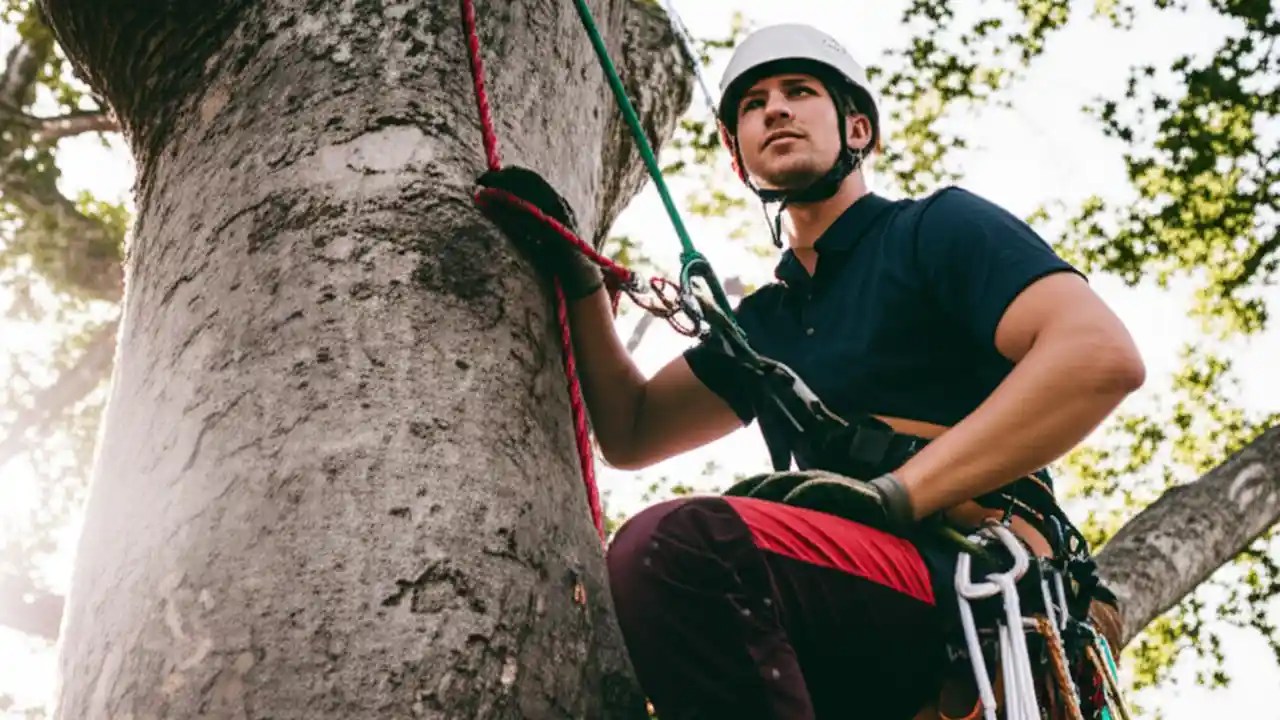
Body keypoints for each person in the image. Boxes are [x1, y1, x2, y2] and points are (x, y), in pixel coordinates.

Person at [478, 23, 1143, 720]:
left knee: (681, 548)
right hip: (848, 602)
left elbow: (1097, 357)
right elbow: (633, 429)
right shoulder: (767, 323)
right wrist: (583, 288)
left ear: (858, 128)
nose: (775, 109)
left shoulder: (933, 231)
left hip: (973, 575)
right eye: (753, 105)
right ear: (737, 159)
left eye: (799, 92)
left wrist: (896, 495)